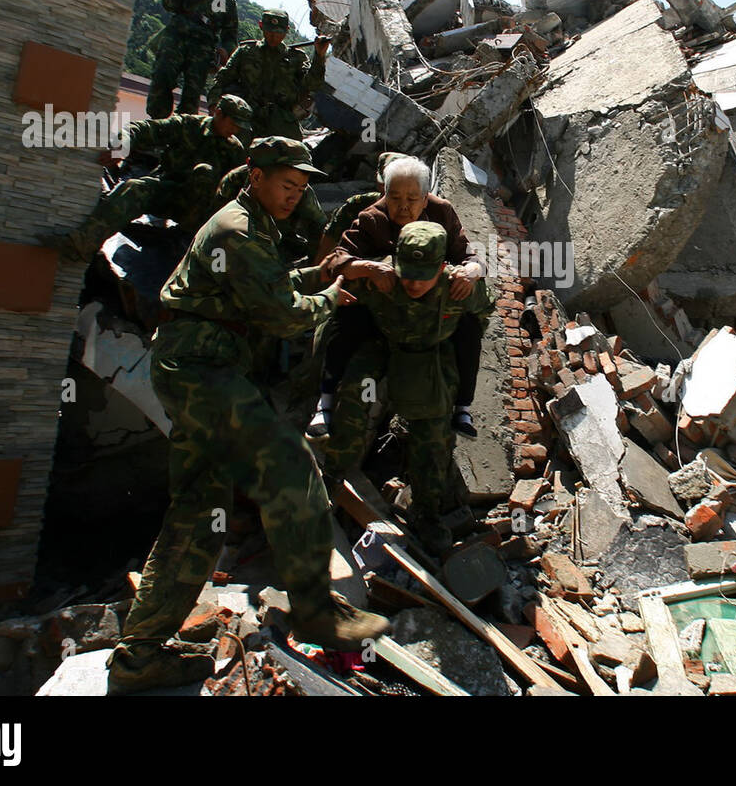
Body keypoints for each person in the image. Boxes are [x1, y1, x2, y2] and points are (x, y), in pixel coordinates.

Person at [105, 136, 387, 695]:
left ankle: (138, 658)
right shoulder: (237, 229)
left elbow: (273, 286)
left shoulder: (253, 226)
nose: (296, 195)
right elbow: (282, 314)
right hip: (203, 371)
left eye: (303, 187)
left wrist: (328, 275)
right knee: (293, 468)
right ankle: (314, 609)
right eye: (288, 184)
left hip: (199, 367)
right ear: (256, 176)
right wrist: (330, 295)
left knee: (196, 517)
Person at [325, 222, 493, 554]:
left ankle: (426, 513)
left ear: (443, 267)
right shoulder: (381, 278)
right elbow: (330, 276)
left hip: (431, 353)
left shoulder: (458, 287)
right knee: (356, 396)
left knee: (433, 432)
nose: (413, 282)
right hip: (383, 345)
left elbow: (483, 315)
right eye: (408, 272)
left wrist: (474, 274)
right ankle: (330, 481)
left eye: (423, 274)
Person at [311, 157, 488, 438]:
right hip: (383, 300)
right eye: (395, 198)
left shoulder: (442, 212)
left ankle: (462, 408)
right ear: (385, 194)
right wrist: (367, 268)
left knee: (469, 329)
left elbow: (468, 255)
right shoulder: (372, 218)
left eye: (412, 199)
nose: (403, 206)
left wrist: (471, 272)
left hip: (430, 303)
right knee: (346, 320)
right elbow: (335, 261)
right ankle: (325, 402)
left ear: (426, 198)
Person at [48, 95, 253, 262]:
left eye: (239, 127)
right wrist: (123, 145)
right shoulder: (187, 126)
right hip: (170, 193)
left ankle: (186, 241)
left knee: (206, 173)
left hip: (201, 210)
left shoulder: (234, 150)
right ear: (218, 112)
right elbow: (142, 129)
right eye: (233, 123)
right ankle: (81, 245)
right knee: (134, 187)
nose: (234, 130)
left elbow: (235, 189)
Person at [208, 9, 329, 145]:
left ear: (287, 30)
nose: (273, 36)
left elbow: (313, 85)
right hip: (246, 119)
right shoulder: (246, 52)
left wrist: (319, 56)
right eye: (269, 31)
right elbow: (222, 79)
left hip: (281, 121)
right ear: (260, 26)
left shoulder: (296, 58)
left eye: (278, 33)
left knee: (292, 159)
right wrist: (213, 105)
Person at [147, 0, 239, 118]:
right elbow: (168, 4)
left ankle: (183, 133)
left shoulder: (227, 2)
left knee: (192, 93)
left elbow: (230, 35)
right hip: (176, 40)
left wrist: (225, 51)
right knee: (162, 79)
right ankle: (157, 123)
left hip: (202, 49)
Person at [313, 151, 410, 264]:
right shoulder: (357, 206)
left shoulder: (417, 210)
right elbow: (328, 245)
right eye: (387, 183)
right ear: (379, 183)